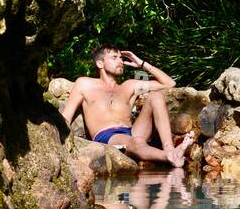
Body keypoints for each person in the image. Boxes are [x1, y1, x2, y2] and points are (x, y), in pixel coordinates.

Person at [59, 43, 194, 167]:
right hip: (107, 136)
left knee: (156, 96)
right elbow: (65, 118)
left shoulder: (129, 86)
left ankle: (169, 148)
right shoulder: (84, 84)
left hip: (132, 132)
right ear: (100, 63)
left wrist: (142, 64)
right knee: (136, 142)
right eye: (114, 58)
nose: (121, 61)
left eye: (121, 57)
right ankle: (169, 156)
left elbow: (169, 84)